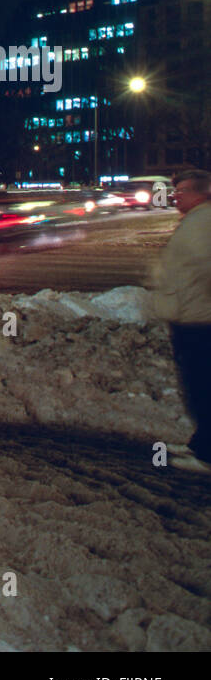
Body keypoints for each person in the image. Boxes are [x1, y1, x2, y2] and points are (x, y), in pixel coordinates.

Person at [148, 168, 211, 473]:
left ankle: (207, 455)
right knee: (198, 385)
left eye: (182, 191)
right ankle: (200, 445)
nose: (175, 196)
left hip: (199, 321)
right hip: (191, 317)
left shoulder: (203, 224)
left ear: (200, 193)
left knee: (202, 387)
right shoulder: (195, 221)